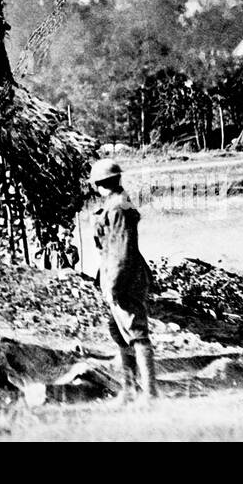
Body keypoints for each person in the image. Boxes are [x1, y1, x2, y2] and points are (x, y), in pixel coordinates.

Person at [90, 160, 156, 399]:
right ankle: (129, 389)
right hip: (117, 274)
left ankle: (149, 393)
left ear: (98, 184)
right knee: (117, 330)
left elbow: (122, 250)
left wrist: (114, 285)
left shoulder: (118, 208)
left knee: (136, 331)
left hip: (125, 277)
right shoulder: (115, 204)